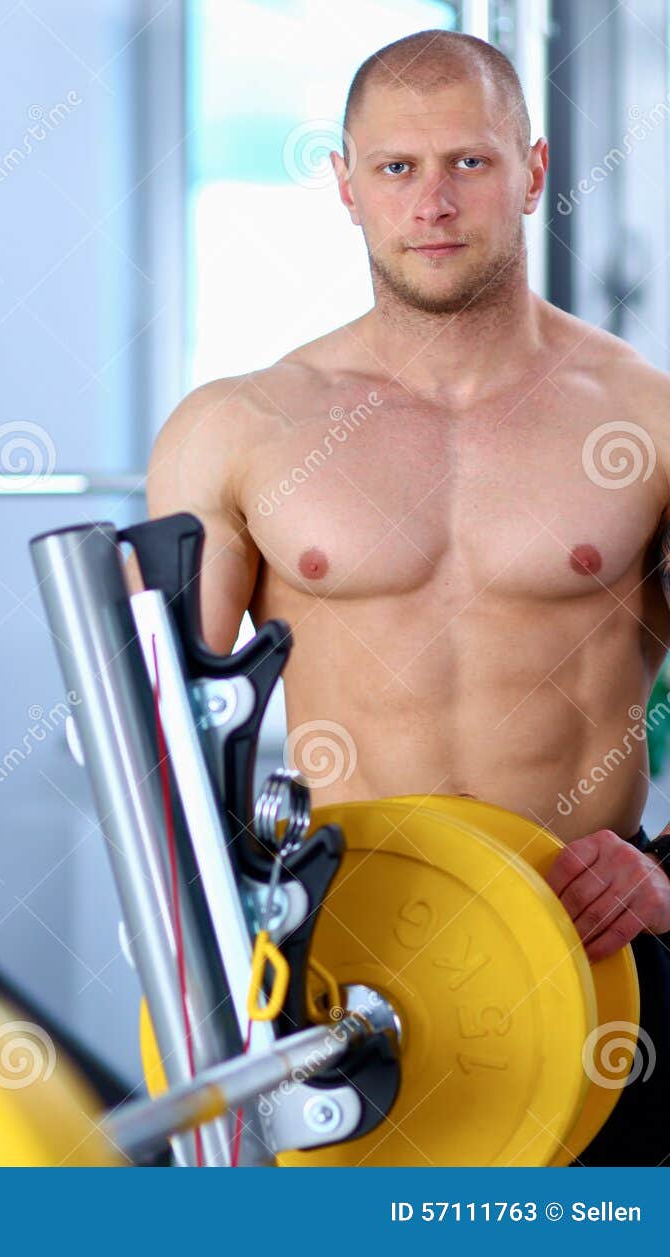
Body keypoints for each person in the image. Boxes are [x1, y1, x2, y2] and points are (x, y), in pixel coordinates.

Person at [138, 29, 670, 1165]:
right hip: (350, 965)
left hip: (593, 957)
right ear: (345, 184)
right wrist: (220, 938)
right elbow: (160, 736)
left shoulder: (645, 420)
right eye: (396, 168)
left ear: (531, 171)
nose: (432, 202)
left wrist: (669, 871)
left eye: (469, 162)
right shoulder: (237, 427)